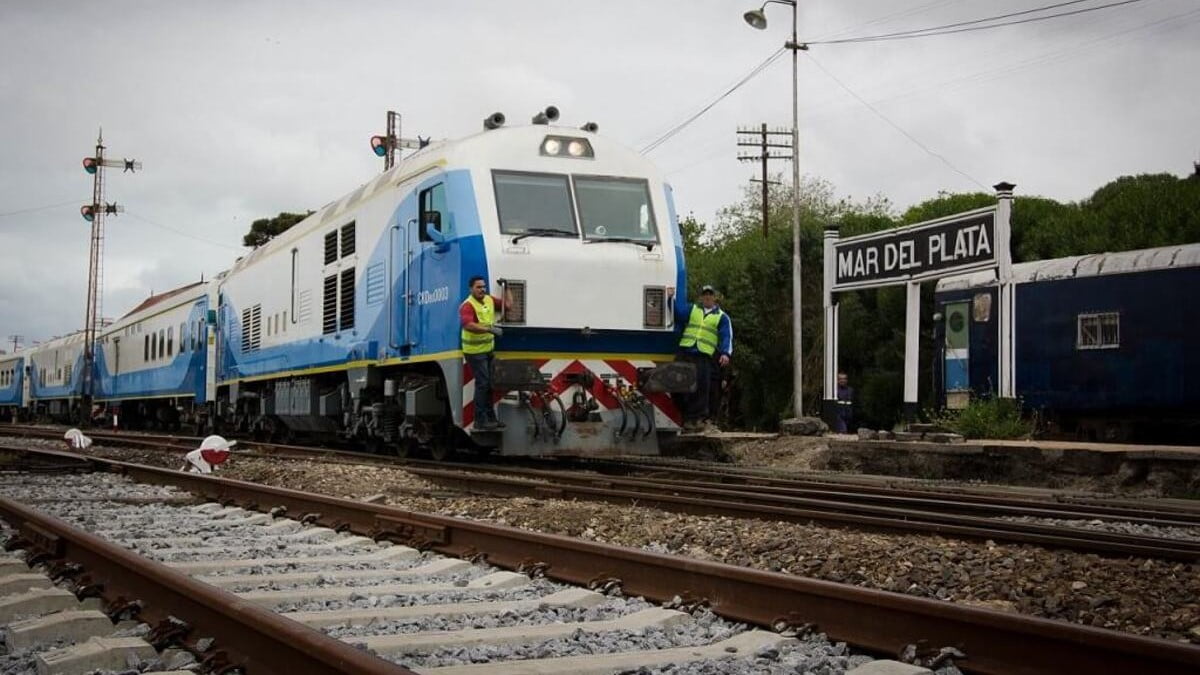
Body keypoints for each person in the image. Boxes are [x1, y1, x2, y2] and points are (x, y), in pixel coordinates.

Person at [674, 284, 733, 433]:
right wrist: (670, 298)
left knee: (701, 389)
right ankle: (685, 415)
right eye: (705, 294)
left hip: (704, 355)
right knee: (676, 384)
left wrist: (726, 353)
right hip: (686, 351)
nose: (707, 297)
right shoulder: (693, 309)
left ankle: (696, 420)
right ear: (701, 297)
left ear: (715, 297)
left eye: (710, 295)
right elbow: (679, 313)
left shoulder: (722, 317)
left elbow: (727, 336)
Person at [460, 275, 511, 431]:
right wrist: (489, 328)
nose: (482, 289)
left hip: (487, 350)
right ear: (471, 289)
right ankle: (479, 420)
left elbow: (507, 305)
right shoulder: (467, 305)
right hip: (474, 352)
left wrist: (507, 287)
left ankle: (490, 418)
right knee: (483, 383)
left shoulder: (488, 300)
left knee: (489, 384)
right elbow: (468, 325)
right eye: (478, 287)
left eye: (483, 287)